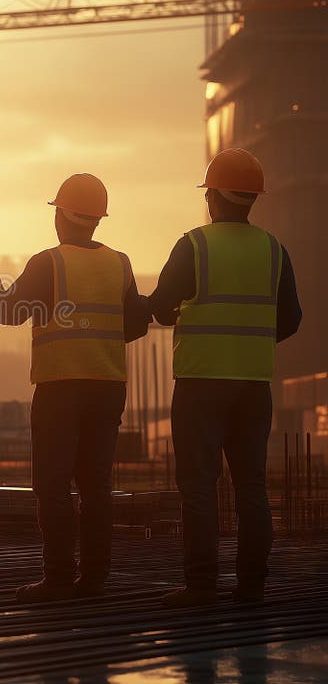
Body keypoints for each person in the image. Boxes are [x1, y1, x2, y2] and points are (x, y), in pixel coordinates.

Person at [0, 173, 150, 602]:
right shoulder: (120, 264)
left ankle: (57, 579)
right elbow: (135, 323)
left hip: (59, 388)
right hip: (107, 387)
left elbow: (11, 312)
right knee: (95, 487)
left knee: (53, 487)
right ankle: (94, 578)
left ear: (62, 217)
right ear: (96, 219)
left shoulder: (47, 263)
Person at [149, 148, 301, 608]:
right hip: (253, 385)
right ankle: (251, 587)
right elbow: (291, 318)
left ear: (212, 195)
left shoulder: (194, 245)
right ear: (253, 198)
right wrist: (250, 342)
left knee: (198, 486)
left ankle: (200, 586)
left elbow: (159, 306)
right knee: (251, 485)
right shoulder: (274, 250)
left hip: (200, 383)